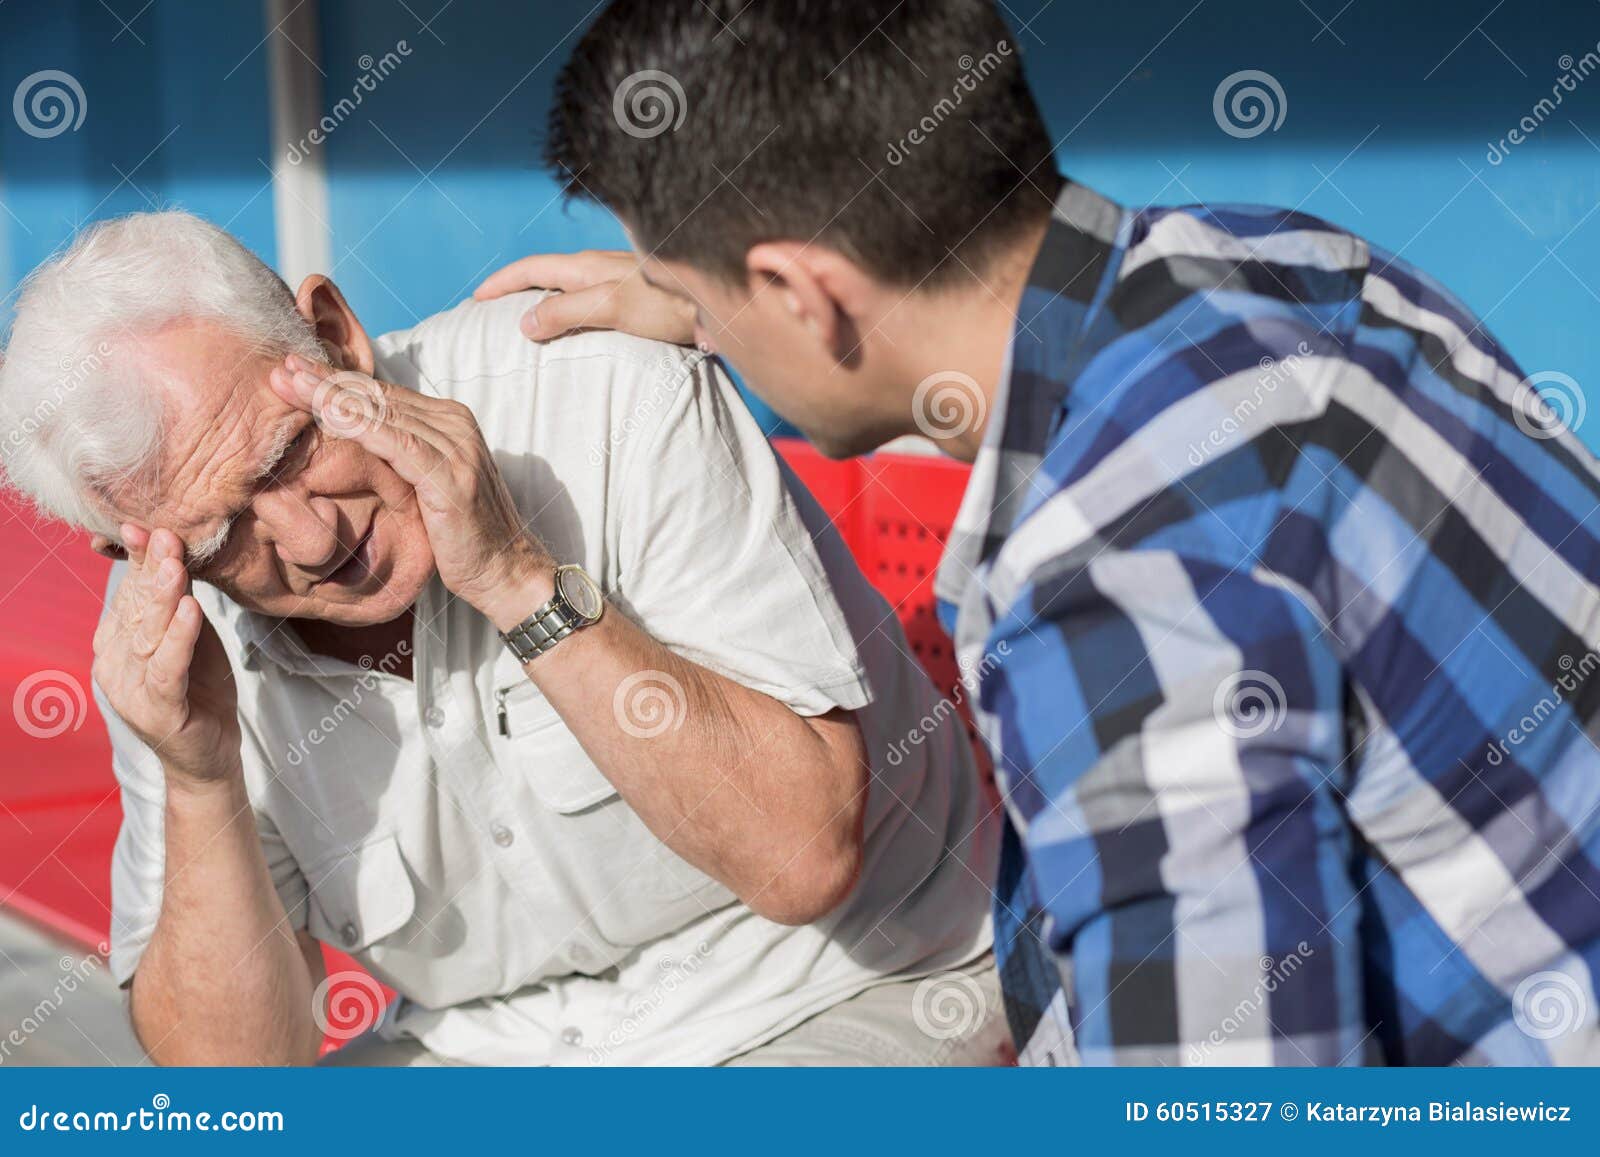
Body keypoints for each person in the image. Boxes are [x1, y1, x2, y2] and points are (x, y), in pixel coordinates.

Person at [475, 0, 1600, 1065]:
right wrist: (709, 304)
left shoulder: (1112, 592)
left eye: (702, 293)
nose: (697, 321)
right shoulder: (1280, 262)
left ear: (804, 291)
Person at [0, 210, 1003, 1066]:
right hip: (492, 1050)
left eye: (296, 449)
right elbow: (241, 1082)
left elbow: (801, 858)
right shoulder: (169, 627)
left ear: (336, 336)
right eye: (224, 534)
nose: (309, 537)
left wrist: (518, 582)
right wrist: (202, 770)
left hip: (838, 983)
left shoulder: (604, 388)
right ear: (128, 546)